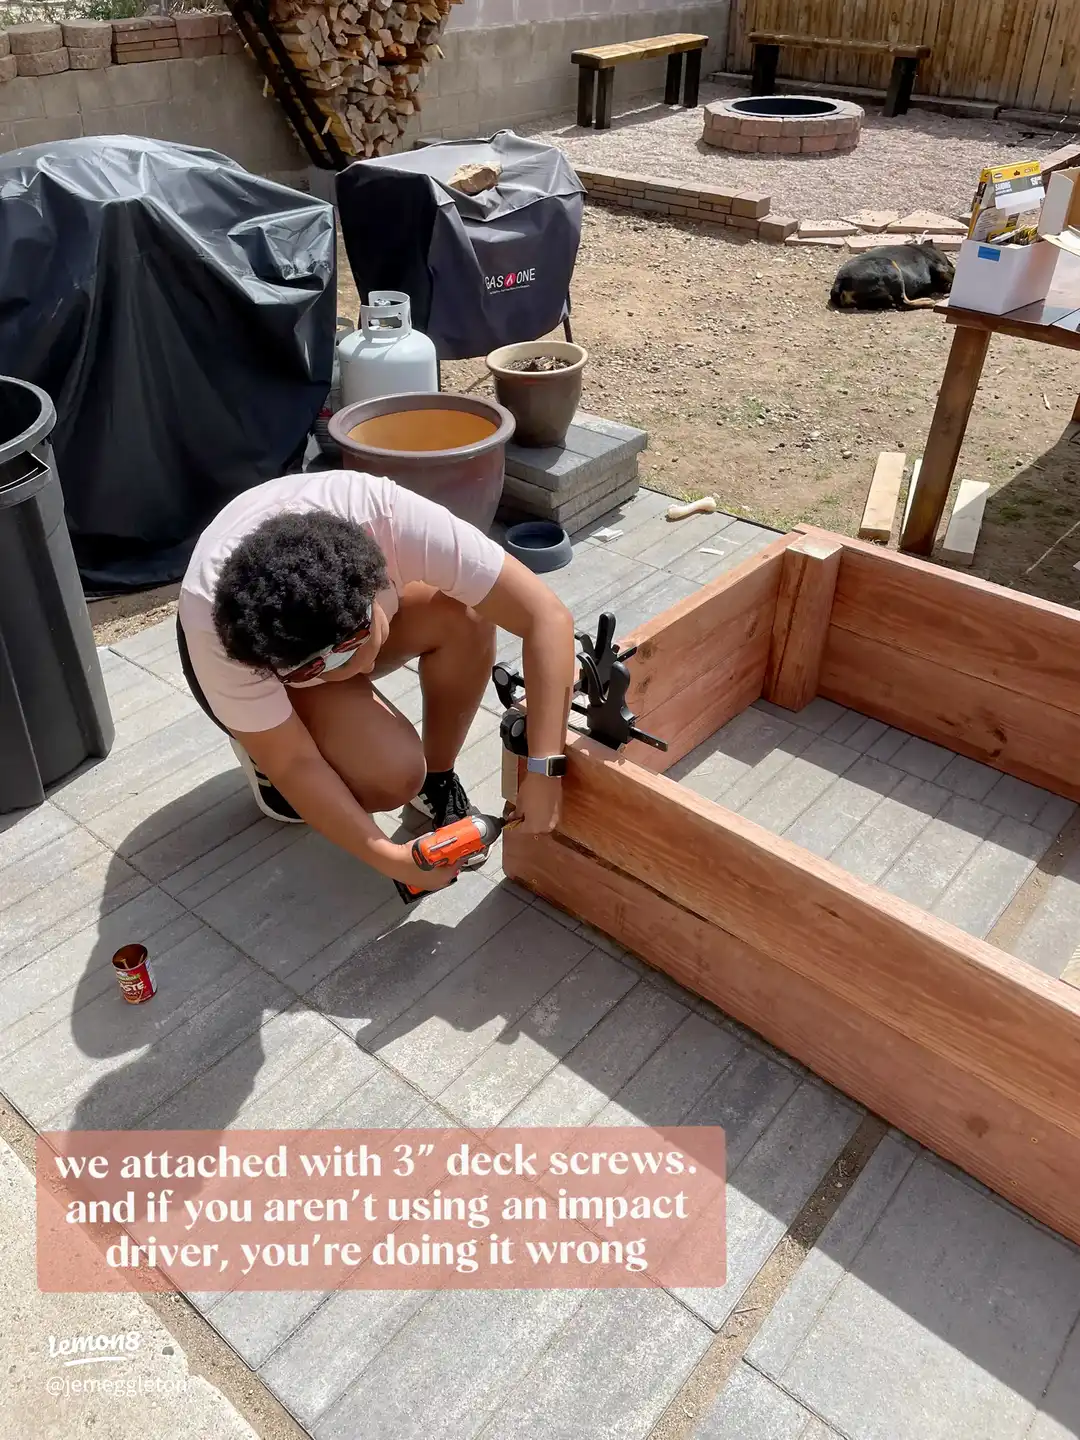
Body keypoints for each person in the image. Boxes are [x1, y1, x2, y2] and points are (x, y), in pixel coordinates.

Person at [176, 469, 576, 896]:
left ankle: (436, 780)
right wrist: (389, 857)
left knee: (467, 612)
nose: (338, 671)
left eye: (351, 645)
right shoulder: (221, 632)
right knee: (390, 776)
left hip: (321, 624)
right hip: (258, 657)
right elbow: (296, 763)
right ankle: (263, 739)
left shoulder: (391, 521)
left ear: (375, 581)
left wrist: (545, 766)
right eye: (313, 669)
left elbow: (544, 617)